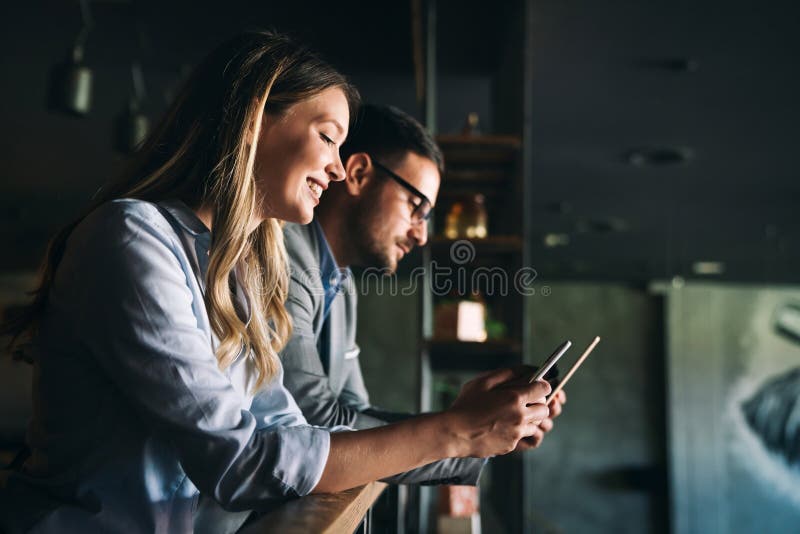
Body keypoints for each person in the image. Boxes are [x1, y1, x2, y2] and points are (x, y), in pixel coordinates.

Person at [0, 31, 553, 533]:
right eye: (329, 137)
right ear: (255, 119)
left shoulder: (238, 269)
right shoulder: (130, 237)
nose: (337, 169)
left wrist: (470, 426)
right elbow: (241, 463)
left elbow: (291, 433)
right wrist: (456, 431)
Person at [280, 104, 566, 487]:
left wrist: (479, 431)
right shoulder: (283, 255)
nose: (421, 235)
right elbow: (315, 422)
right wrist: (463, 433)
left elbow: (352, 413)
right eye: (416, 207)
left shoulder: (342, 284)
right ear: (359, 174)